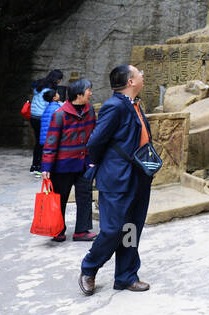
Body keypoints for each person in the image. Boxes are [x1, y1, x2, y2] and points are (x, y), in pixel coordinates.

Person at [79, 64, 152, 295]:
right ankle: (89, 268)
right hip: (117, 178)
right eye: (138, 72)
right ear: (130, 81)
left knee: (131, 227)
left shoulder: (135, 104)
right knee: (113, 229)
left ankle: (126, 275)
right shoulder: (114, 106)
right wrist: (111, 165)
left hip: (139, 175)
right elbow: (94, 142)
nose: (142, 75)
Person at [42, 79, 98, 244]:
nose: (91, 93)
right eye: (89, 90)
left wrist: (93, 159)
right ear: (79, 94)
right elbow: (51, 142)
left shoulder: (90, 111)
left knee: (85, 196)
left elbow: (94, 136)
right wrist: (46, 167)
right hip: (63, 165)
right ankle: (58, 230)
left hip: (84, 164)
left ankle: (81, 231)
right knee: (60, 198)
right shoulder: (60, 114)